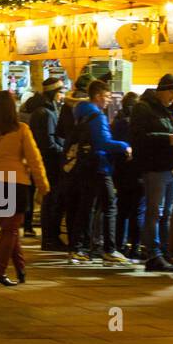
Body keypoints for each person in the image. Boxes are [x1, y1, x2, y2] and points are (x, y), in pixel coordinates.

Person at [0, 90, 51, 286]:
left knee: (9, 228)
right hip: (15, 183)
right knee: (9, 230)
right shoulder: (22, 129)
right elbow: (34, 159)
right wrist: (42, 184)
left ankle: (21, 269)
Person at [74, 79, 135, 264]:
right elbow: (103, 142)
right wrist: (125, 146)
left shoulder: (80, 112)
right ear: (99, 96)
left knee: (86, 207)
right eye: (107, 96)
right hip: (100, 165)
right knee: (110, 206)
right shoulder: (97, 116)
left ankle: (78, 249)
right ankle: (110, 250)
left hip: (86, 164)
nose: (109, 100)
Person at [131, 73, 173, 272]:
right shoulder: (143, 108)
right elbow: (138, 137)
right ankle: (153, 254)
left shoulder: (169, 111)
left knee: (166, 213)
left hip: (171, 168)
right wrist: (165, 138)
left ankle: (164, 253)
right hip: (154, 168)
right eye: (172, 92)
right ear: (162, 91)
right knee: (155, 212)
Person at [26, 77, 68, 251]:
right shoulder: (45, 113)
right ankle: (51, 238)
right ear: (53, 93)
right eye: (60, 93)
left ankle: (50, 237)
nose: (62, 96)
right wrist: (64, 151)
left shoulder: (44, 111)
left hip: (47, 161)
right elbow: (49, 142)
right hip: (51, 162)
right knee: (51, 200)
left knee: (49, 200)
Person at [58, 74, 94, 258]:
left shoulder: (66, 106)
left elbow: (59, 131)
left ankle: (73, 243)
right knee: (83, 204)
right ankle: (81, 244)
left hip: (68, 157)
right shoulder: (90, 110)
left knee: (72, 203)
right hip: (83, 160)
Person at [112, 91, 145, 258]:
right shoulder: (138, 126)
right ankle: (135, 247)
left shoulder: (116, 124)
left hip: (120, 172)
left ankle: (119, 244)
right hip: (137, 171)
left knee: (122, 210)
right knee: (137, 211)